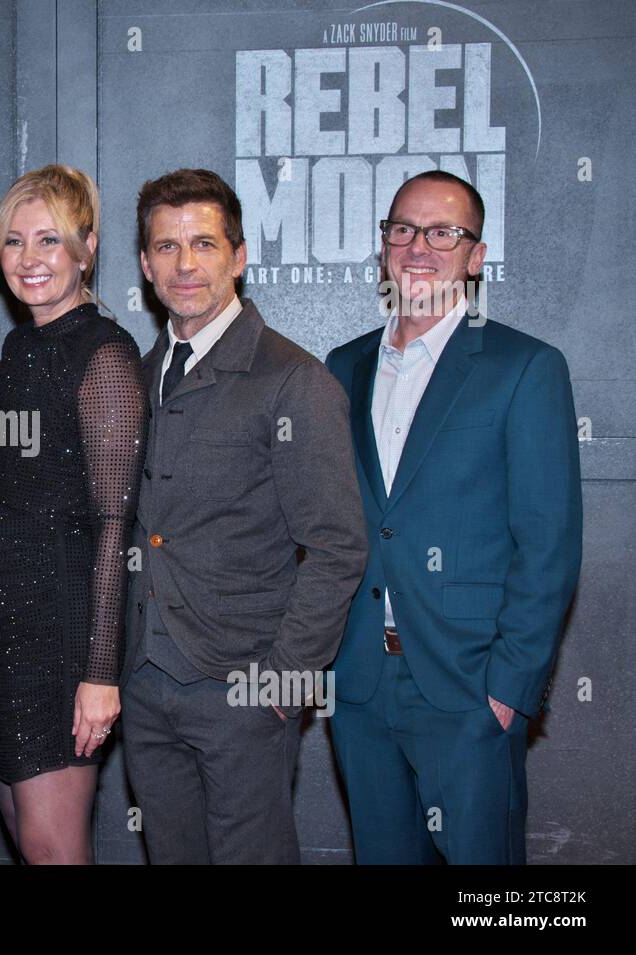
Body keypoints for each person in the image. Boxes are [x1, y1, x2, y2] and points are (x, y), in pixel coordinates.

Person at [325, 171, 583, 865]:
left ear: (476, 255)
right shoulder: (341, 368)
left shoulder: (523, 368)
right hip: (360, 687)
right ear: (383, 246)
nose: (418, 247)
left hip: (468, 690)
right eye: (403, 229)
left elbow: (548, 544)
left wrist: (508, 688)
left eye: (444, 232)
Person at [121, 168, 368, 864]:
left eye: (204, 243)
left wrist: (284, 683)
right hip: (145, 680)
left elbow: (338, 546)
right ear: (144, 264)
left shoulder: (292, 379)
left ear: (240, 256)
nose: (185, 263)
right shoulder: (136, 374)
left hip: (246, 689)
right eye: (166, 247)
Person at [0, 165, 147, 864]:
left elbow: (113, 525)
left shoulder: (103, 355)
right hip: (3, 636)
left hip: (59, 643)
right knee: (24, 834)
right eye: (14, 242)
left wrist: (99, 673)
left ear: (87, 249)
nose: (30, 259)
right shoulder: (17, 350)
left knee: (52, 848)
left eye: (49, 240)